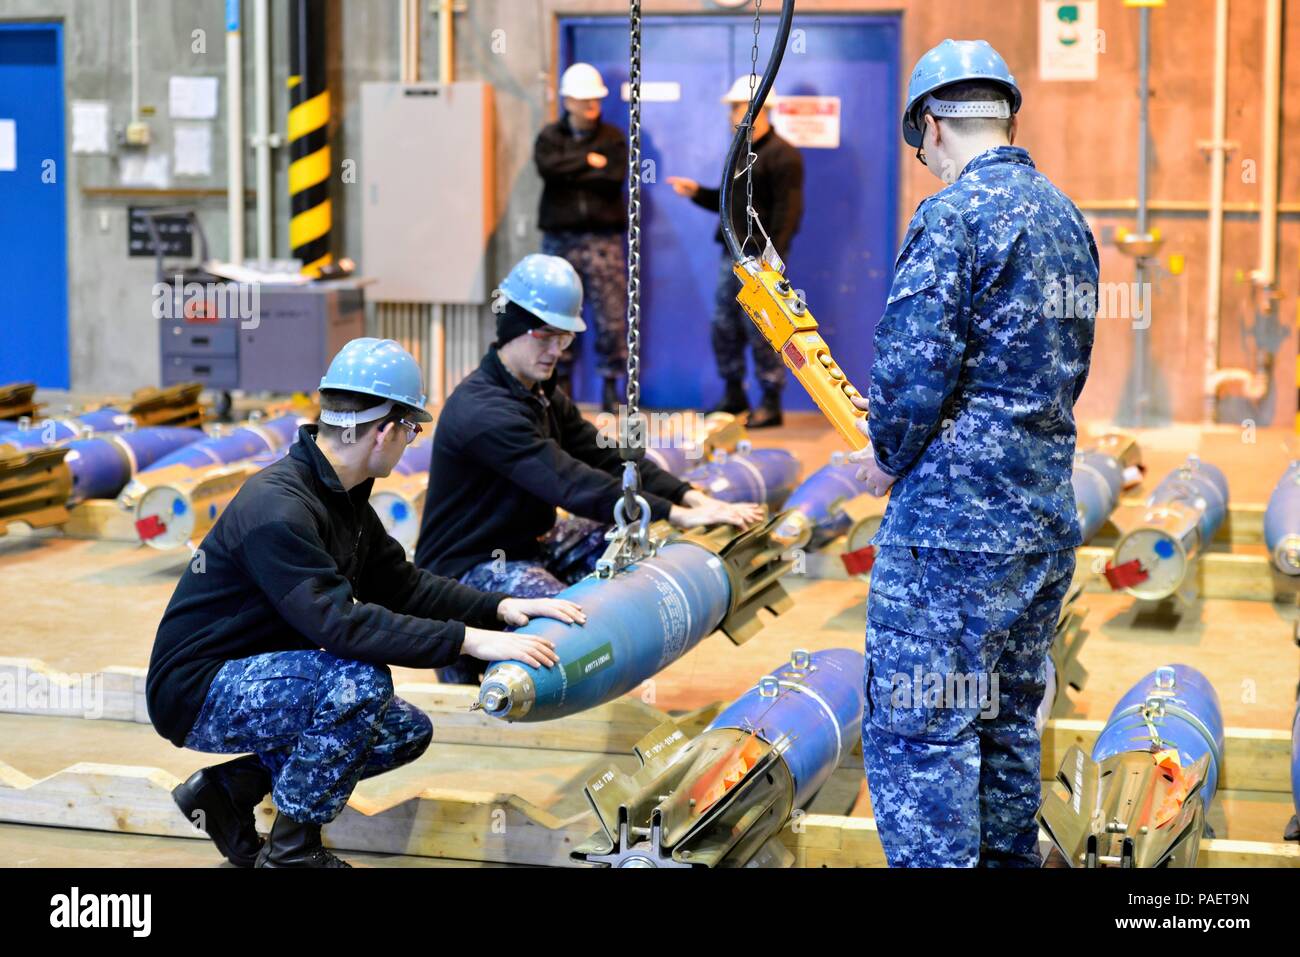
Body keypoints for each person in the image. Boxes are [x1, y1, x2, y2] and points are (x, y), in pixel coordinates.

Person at [146, 338, 582, 868]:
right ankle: (292, 856)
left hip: (262, 672)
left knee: (402, 731)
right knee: (357, 682)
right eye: (411, 430)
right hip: (197, 688)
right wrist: (466, 641)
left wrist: (499, 608)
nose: (410, 442)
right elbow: (339, 624)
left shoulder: (343, 496)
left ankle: (226, 792)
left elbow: (402, 584)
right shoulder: (279, 508)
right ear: (384, 431)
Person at [848, 39, 1098, 868]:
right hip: (1038, 530)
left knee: (925, 745)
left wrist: (886, 453)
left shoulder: (951, 217)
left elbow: (910, 379)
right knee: (1003, 734)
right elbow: (1068, 370)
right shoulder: (1068, 219)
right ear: (1006, 113)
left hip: (950, 542)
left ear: (929, 124)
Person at [415, 254, 764, 685]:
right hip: (469, 569)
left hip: (529, 544)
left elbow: (603, 455)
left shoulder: (539, 392)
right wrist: (673, 512)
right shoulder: (483, 411)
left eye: (564, 339)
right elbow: (568, 481)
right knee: (570, 629)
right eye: (545, 336)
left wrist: (686, 495)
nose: (555, 351)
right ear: (512, 329)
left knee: (636, 544)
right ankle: (481, 673)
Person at [667, 75, 804, 428]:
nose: (732, 114)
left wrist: (772, 263)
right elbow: (728, 204)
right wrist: (697, 192)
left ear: (759, 108)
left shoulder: (783, 155)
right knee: (724, 325)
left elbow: (789, 212)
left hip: (760, 261)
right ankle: (734, 394)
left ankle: (770, 402)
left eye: (737, 107)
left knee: (763, 329)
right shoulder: (741, 152)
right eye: (731, 108)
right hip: (732, 257)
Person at [534, 62, 629, 412]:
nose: (591, 106)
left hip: (603, 240)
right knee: (558, 316)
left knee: (611, 317)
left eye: (595, 100)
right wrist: (589, 162)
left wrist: (574, 167)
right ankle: (560, 391)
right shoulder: (549, 138)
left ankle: (610, 388)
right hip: (560, 242)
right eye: (584, 100)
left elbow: (613, 176)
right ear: (568, 101)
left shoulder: (612, 139)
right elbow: (548, 169)